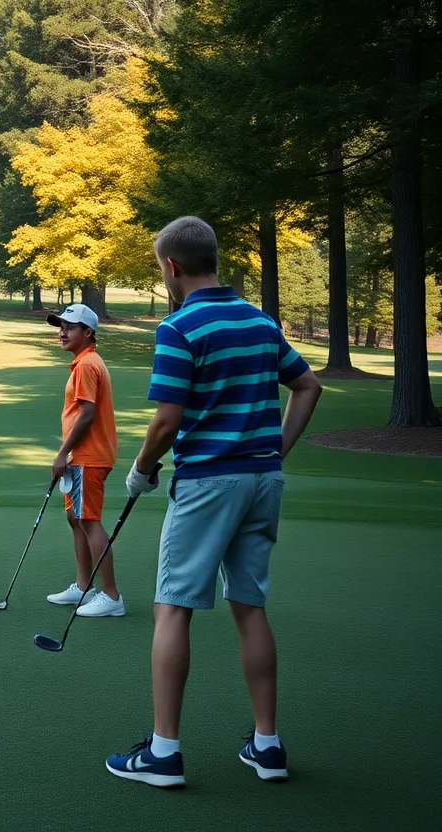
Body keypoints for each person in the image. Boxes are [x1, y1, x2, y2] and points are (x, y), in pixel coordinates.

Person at [106, 216, 322, 789]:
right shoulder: (260, 320)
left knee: (172, 606)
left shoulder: (179, 327)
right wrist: (275, 449)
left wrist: (141, 470)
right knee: (249, 605)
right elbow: (308, 385)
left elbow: (167, 420)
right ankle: (267, 746)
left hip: (208, 483)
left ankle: (163, 753)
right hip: (263, 480)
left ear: (171, 266)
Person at [44, 303, 124, 617]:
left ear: (88, 332)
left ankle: (112, 596)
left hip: (88, 455)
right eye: (61, 327)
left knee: (88, 520)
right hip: (82, 454)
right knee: (75, 518)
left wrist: (62, 453)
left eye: (70, 327)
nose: (62, 333)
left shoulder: (87, 364)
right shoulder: (84, 362)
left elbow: (87, 414)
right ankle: (82, 587)